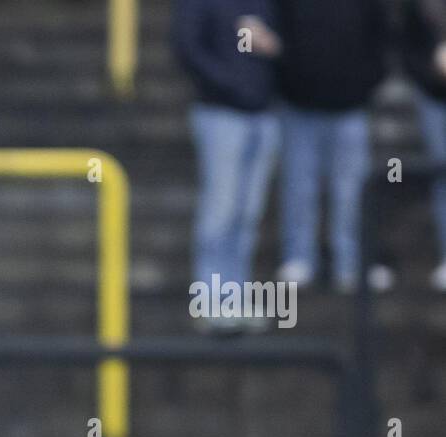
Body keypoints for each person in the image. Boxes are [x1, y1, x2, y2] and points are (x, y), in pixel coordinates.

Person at [172, 0, 282, 331]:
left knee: (246, 214)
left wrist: (274, 49)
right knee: (221, 210)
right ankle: (208, 301)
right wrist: (233, 85)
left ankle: (234, 299)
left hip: (263, 115)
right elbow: (187, 48)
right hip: (220, 114)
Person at [274, 0, 388, 293]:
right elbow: (275, 33)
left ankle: (349, 262)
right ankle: (299, 257)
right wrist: (289, 79)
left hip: (350, 107)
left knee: (351, 189)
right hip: (298, 105)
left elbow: (382, 38)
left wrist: (363, 85)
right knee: (299, 186)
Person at [404, 0, 446, 290]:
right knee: (441, 177)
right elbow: (407, 46)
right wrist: (432, 69)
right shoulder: (419, 6)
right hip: (433, 95)